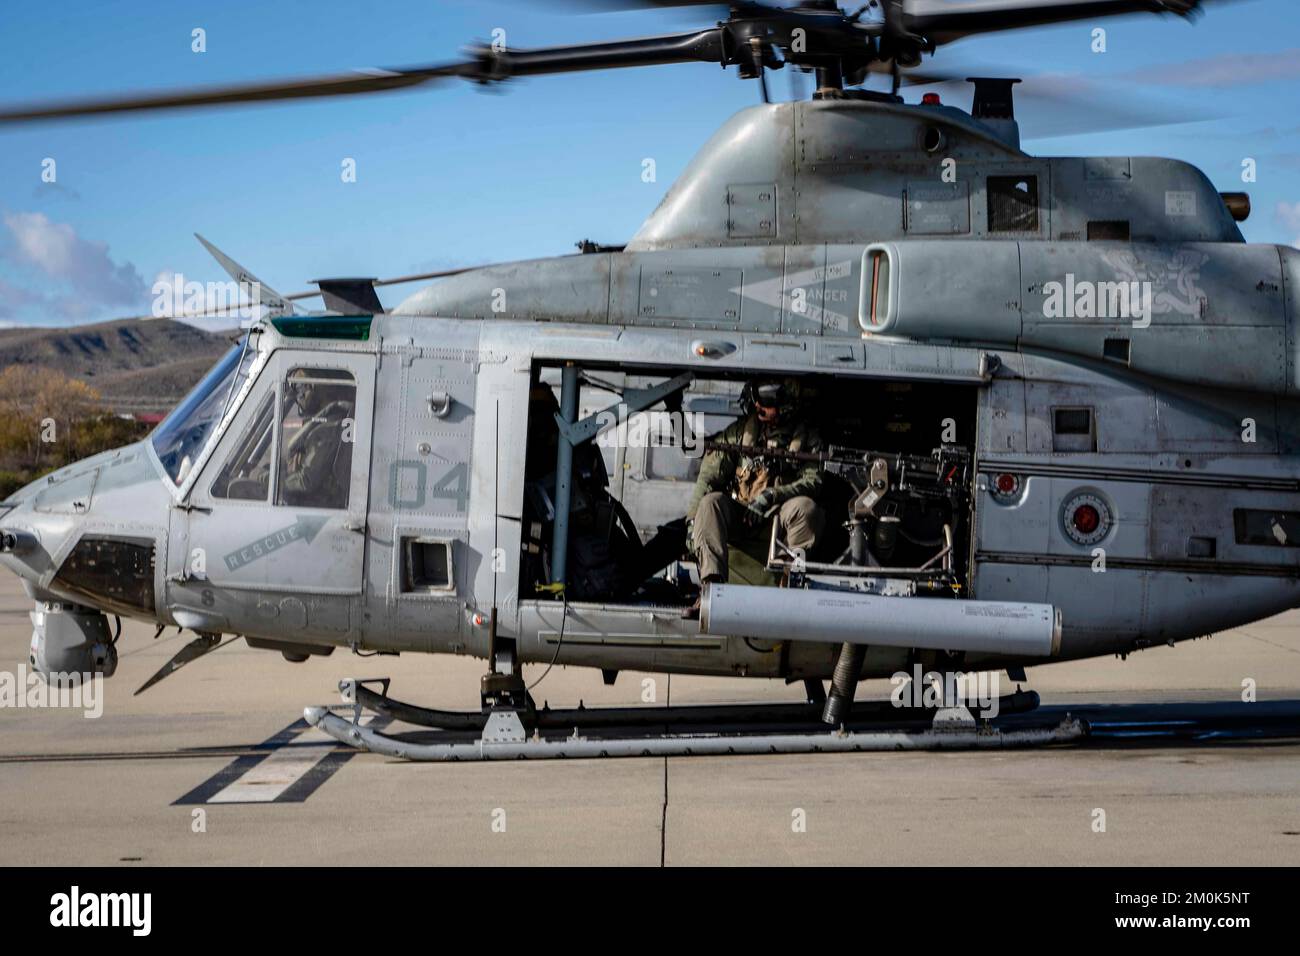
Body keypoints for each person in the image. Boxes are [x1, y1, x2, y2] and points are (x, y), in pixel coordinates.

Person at [682, 378, 825, 619]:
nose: (759, 407)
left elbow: (814, 481)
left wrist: (771, 496)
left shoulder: (807, 438)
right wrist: (691, 520)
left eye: (767, 403)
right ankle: (710, 591)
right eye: (757, 401)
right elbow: (709, 476)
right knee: (710, 503)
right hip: (742, 517)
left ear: (786, 405)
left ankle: (788, 594)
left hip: (778, 523)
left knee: (806, 508)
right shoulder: (741, 432)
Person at [279, 371, 355, 508]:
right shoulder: (329, 420)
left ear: (315, 387)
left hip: (321, 506)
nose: (299, 396)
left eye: (301, 388)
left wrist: (263, 477)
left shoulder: (328, 428)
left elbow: (306, 481)